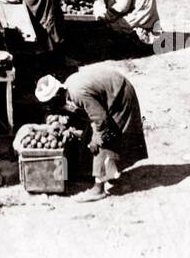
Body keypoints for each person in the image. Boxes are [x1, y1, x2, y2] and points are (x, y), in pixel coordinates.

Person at [35, 62, 147, 201]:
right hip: (112, 91)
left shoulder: (77, 93)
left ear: (57, 95)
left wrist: (95, 140)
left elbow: (101, 120)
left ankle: (98, 188)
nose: (49, 107)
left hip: (119, 95)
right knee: (93, 134)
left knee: (105, 138)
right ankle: (102, 172)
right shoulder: (69, 88)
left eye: (49, 103)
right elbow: (89, 111)